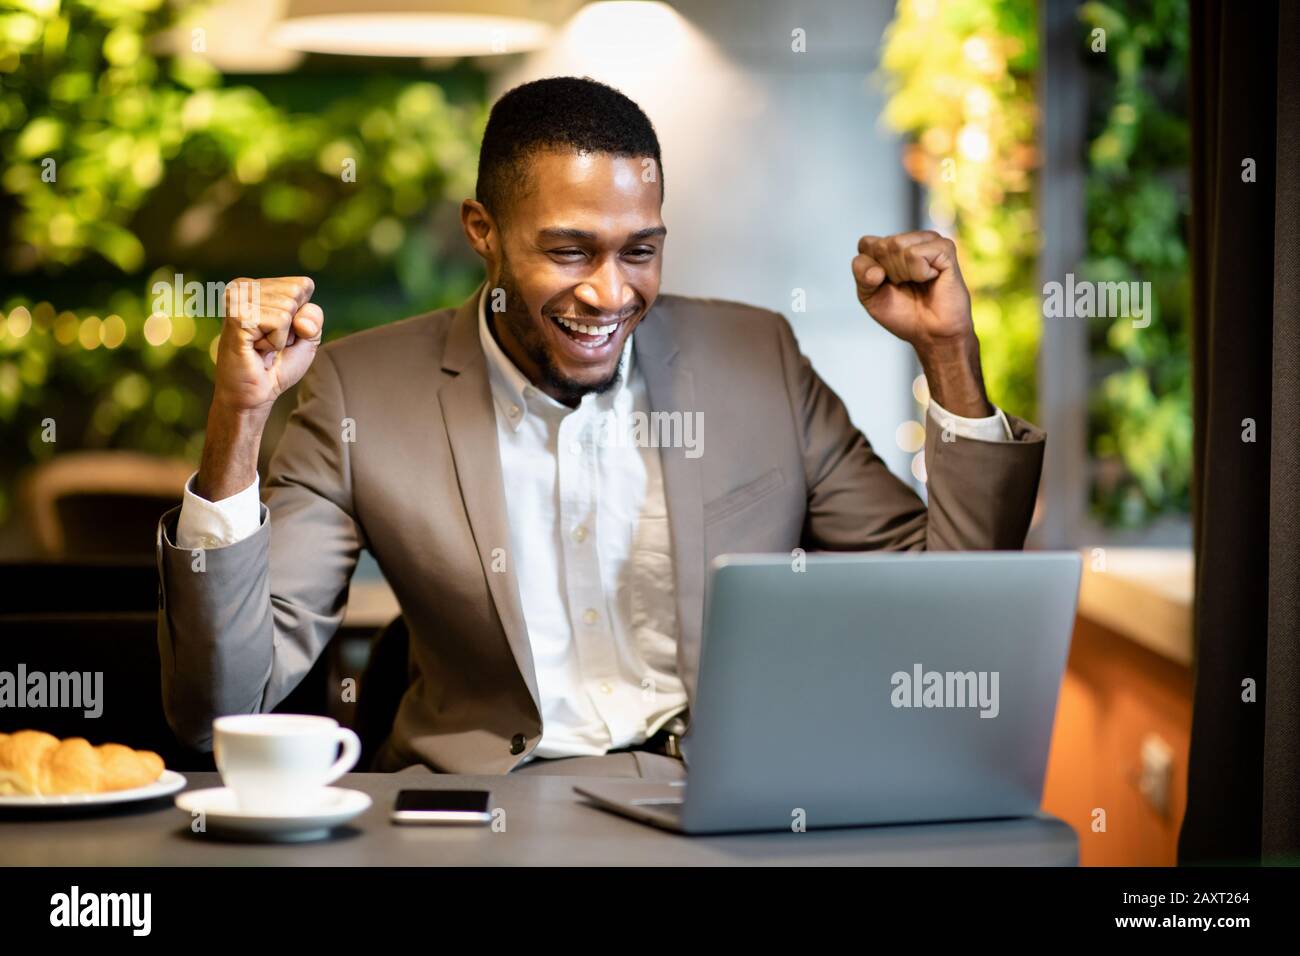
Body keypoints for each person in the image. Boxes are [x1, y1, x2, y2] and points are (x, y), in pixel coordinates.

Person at [157, 76, 1044, 779]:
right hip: (473, 812)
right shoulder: (361, 392)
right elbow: (220, 704)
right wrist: (239, 420)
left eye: (640, 251)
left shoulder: (756, 357)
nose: (611, 293)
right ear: (484, 231)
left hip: (717, 798)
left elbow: (945, 611)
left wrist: (949, 356)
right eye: (570, 250)